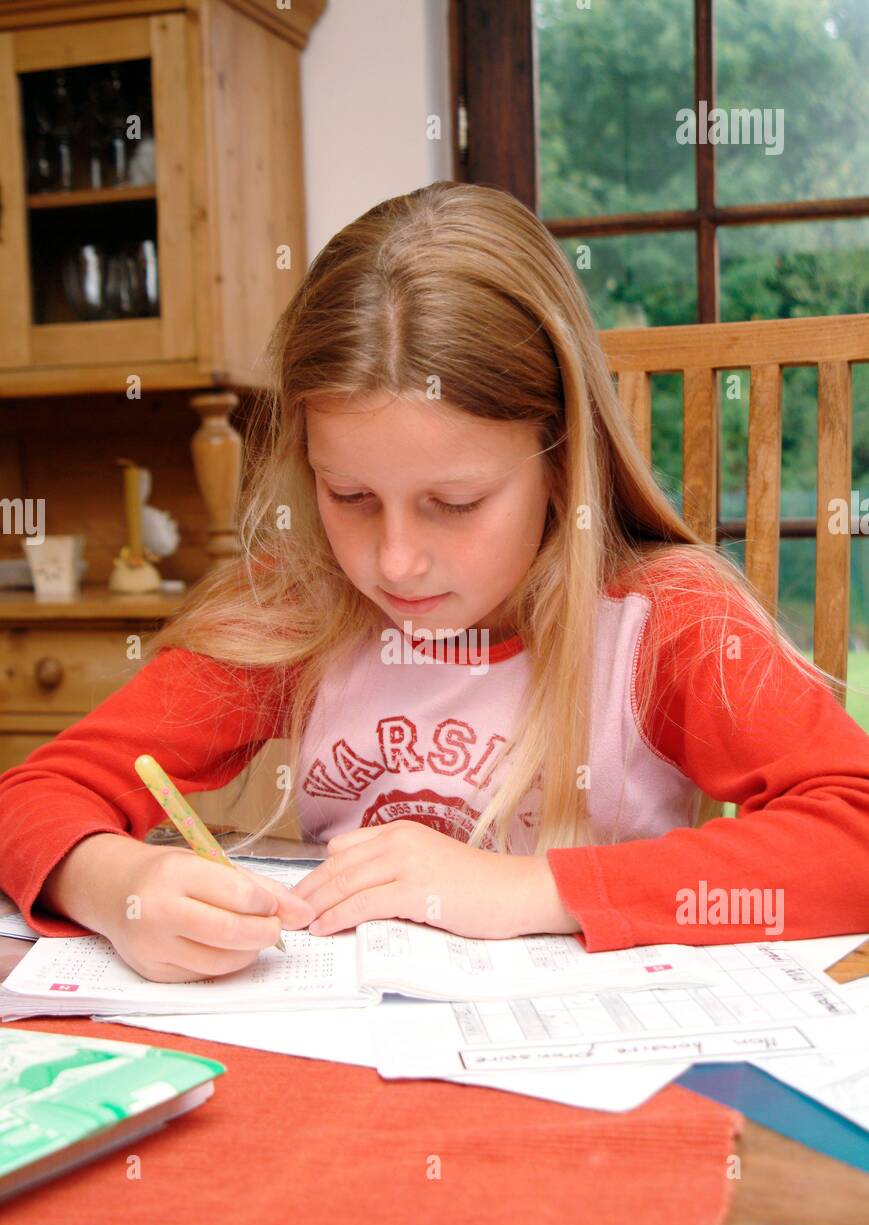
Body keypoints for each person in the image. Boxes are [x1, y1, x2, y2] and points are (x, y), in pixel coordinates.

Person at [1, 180, 868, 984]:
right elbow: (35, 794)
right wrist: (116, 881)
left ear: (562, 461)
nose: (395, 562)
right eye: (349, 497)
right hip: (339, 1058)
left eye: (454, 503)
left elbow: (853, 837)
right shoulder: (302, 607)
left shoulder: (663, 620)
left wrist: (527, 891)